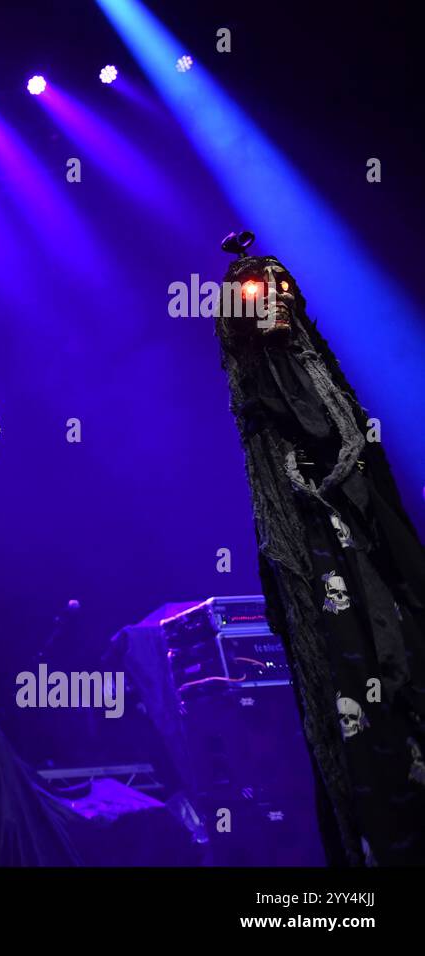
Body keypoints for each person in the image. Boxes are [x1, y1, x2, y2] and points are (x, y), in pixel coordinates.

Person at [215, 232, 425, 865]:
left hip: (367, 539)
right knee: (357, 694)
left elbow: (354, 442)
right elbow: (311, 428)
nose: (274, 295)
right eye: (259, 289)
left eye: (282, 283)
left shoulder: (315, 359)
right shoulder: (260, 372)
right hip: (318, 542)